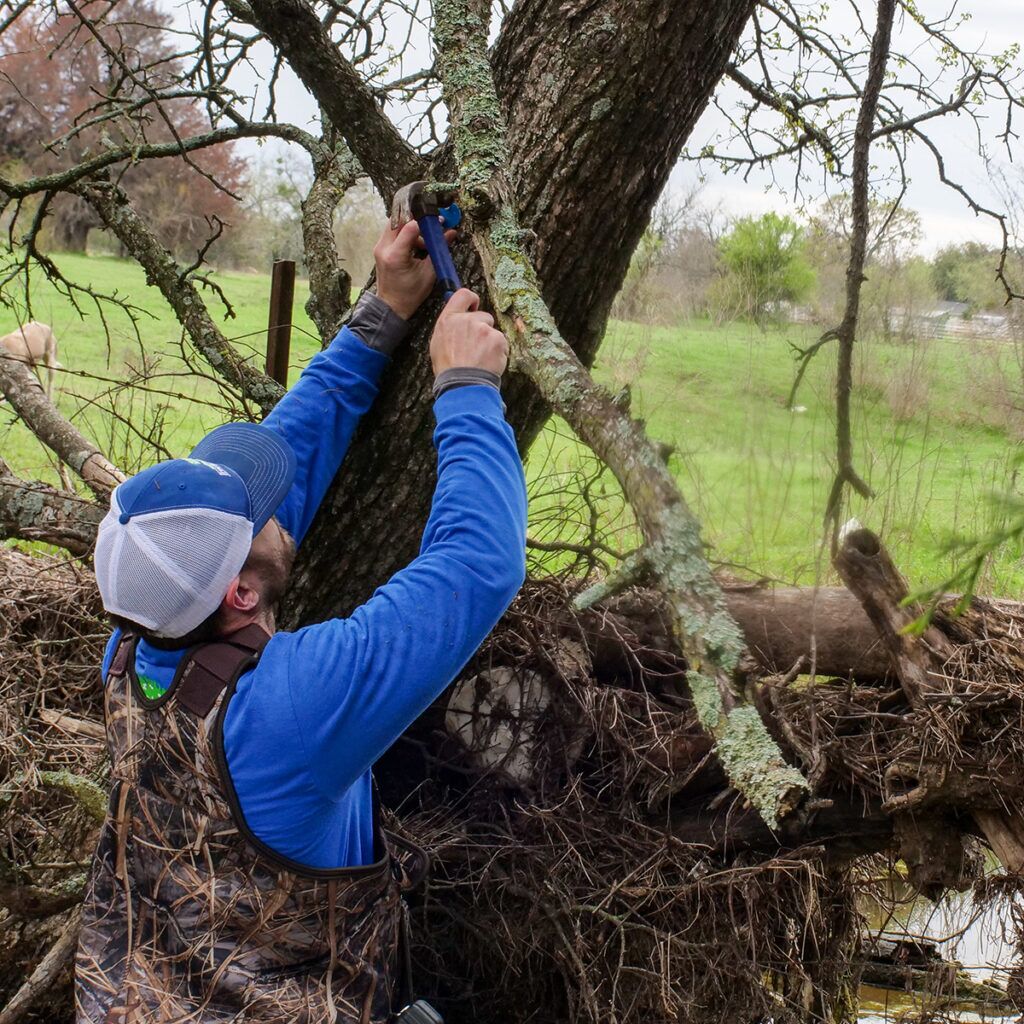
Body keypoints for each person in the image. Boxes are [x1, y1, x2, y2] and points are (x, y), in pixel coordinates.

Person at [74, 219, 527, 1024]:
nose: (279, 506)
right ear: (242, 594)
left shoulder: (133, 643)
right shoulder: (291, 709)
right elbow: (476, 566)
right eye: (260, 516)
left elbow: (278, 456)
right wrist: (467, 389)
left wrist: (383, 313)